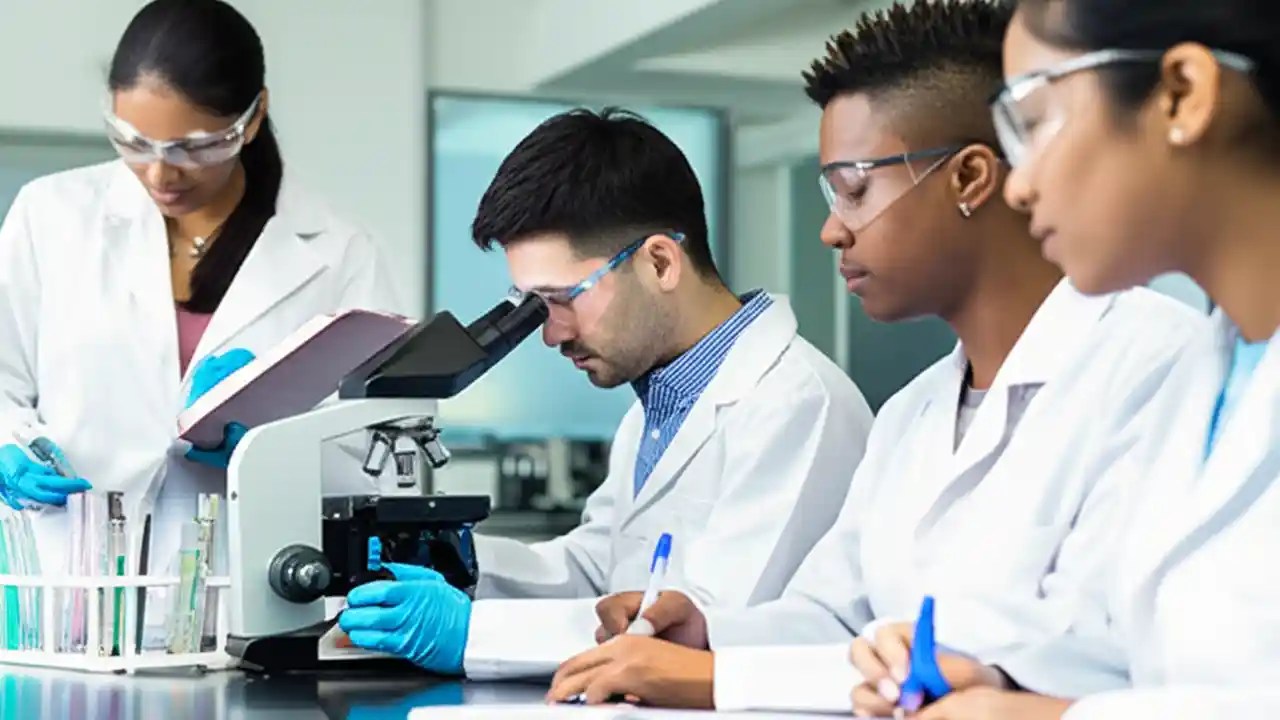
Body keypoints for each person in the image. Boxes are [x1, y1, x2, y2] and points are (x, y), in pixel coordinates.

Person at [543, 0, 1206, 711]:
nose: (832, 230)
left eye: (855, 190)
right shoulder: (912, 414)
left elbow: (1061, 661)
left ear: (971, 179)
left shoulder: (1153, 369)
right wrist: (712, 634)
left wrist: (718, 679)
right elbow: (835, 614)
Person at [840, 0, 1280, 718]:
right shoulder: (1209, 375)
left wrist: (1056, 717)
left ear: (1182, 95)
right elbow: (1148, 654)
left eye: (1034, 120)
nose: (1019, 183)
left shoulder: (1154, 359)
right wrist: (1001, 683)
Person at [337, 107, 875, 678]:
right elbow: (599, 570)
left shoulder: (795, 403)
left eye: (562, 298)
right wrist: (459, 564)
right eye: (535, 306)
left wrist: (473, 633)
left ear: (660, 262)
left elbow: (703, 630)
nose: (550, 333)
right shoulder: (661, 402)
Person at [0, 0, 396, 632]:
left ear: (253, 116)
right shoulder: (50, 218)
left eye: (193, 147)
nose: (160, 172)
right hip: (68, 593)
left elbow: (380, 444)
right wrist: (8, 446)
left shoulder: (339, 252)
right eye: (132, 141)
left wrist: (273, 449)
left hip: (247, 599)